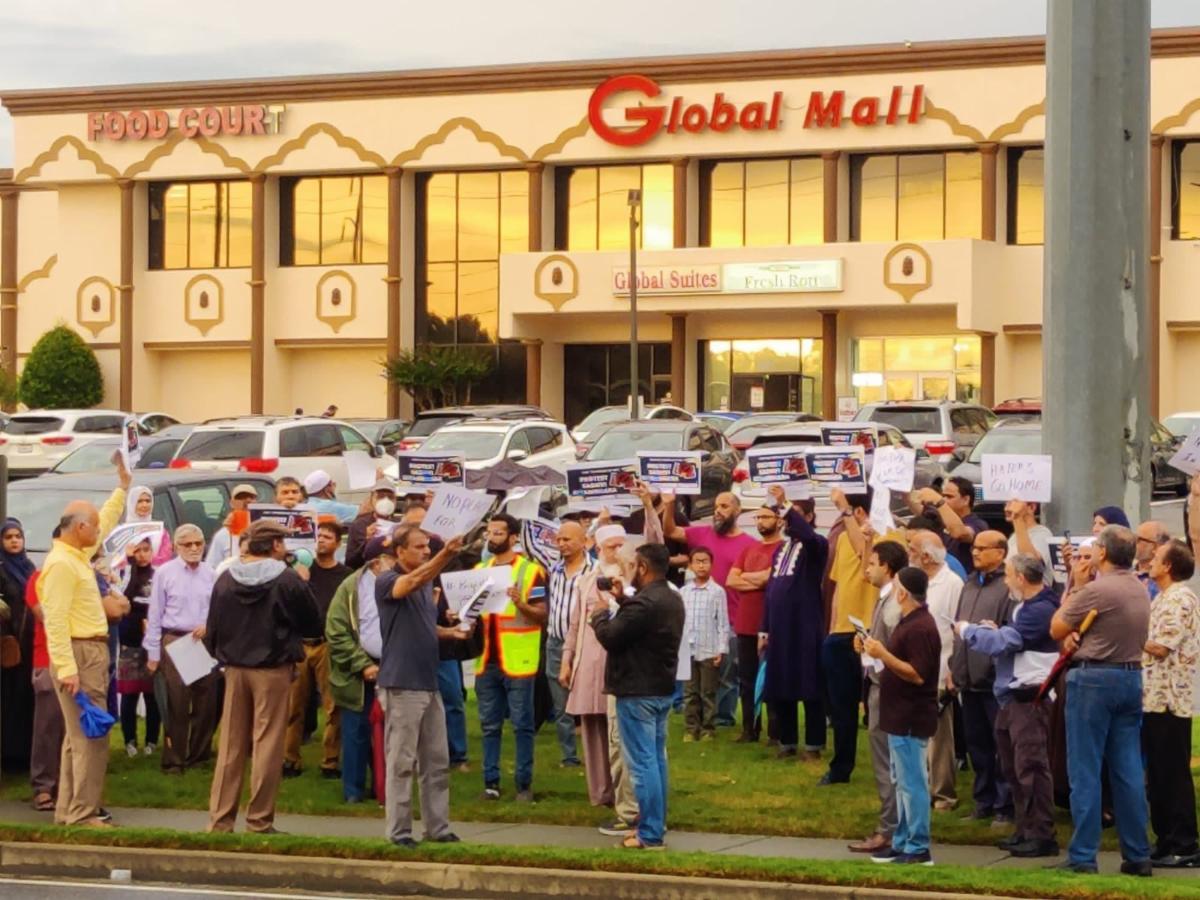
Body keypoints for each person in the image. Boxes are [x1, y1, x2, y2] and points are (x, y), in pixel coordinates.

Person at [205, 519, 323, 834]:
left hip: (234, 669)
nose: (285, 548)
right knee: (268, 744)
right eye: (282, 542)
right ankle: (259, 819)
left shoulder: (226, 578)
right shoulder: (287, 580)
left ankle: (220, 819)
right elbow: (314, 624)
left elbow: (212, 627)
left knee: (231, 744)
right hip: (273, 668)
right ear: (273, 546)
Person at [1049, 524, 1151, 876]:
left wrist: (1077, 583)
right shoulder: (1138, 587)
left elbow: (1057, 627)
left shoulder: (1097, 590)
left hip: (1093, 679)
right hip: (1130, 676)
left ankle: (1082, 857)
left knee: (1085, 770)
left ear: (1103, 554)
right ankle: (1138, 854)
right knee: (1127, 770)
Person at [41, 458, 130, 826]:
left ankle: (68, 810)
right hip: (79, 652)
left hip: (86, 651)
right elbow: (55, 622)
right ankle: (82, 812)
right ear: (79, 528)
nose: (99, 533)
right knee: (91, 737)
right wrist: (67, 668)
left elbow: (103, 521)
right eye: (93, 528)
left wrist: (122, 488)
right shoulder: (62, 564)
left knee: (75, 738)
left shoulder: (76, 552)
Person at [957, 554, 1061, 858]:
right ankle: (1024, 828)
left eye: (1008, 575)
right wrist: (994, 628)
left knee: (1031, 766)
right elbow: (1009, 636)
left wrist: (968, 631)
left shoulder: (1040, 608)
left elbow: (1005, 643)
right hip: (1012, 697)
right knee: (1012, 765)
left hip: (1030, 699)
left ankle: (1042, 834)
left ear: (1021, 577)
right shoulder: (1025, 607)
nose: (1005, 581)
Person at [376, 525, 468, 846]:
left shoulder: (425, 587)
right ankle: (399, 832)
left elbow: (428, 628)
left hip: (428, 682)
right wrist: (446, 554)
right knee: (401, 762)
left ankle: (438, 828)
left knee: (437, 760)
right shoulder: (388, 580)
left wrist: (451, 633)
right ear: (399, 552)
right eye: (419, 547)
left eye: (428, 546)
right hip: (402, 683)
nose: (425, 551)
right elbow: (410, 582)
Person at [591, 543, 685, 850]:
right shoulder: (671, 597)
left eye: (632, 565)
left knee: (642, 765)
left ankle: (649, 833)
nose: (627, 570)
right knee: (655, 761)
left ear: (643, 567)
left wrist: (601, 614)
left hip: (636, 689)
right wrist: (621, 598)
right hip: (660, 687)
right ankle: (656, 824)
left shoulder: (643, 604)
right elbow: (639, 625)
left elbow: (611, 637)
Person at [824, 488, 904, 786]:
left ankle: (889, 768)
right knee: (840, 705)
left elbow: (867, 561)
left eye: (849, 512)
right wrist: (833, 625)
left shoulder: (891, 538)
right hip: (842, 631)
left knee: (880, 702)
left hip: (874, 630)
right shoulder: (844, 537)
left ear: (859, 512)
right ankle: (840, 767)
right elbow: (840, 586)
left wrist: (845, 509)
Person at [861, 566, 941, 866]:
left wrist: (883, 654)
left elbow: (917, 674)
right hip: (898, 715)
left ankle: (919, 846)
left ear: (903, 592)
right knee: (902, 781)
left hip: (911, 716)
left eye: (895, 588)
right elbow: (894, 667)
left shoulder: (920, 627)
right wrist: (872, 653)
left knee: (913, 783)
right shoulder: (907, 623)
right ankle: (903, 840)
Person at [661, 492, 756, 728]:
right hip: (699, 617)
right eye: (716, 505)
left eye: (724, 506)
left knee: (726, 673)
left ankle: (724, 719)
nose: (718, 510)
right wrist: (669, 504)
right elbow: (670, 531)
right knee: (695, 672)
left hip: (732, 616)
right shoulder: (702, 533)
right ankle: (697, 717)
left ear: (737, 510)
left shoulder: (749, 544)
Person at [475, 513, 547, 802]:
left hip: (519, 658)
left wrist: (521, 604)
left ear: (514, 537)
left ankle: (523, 784)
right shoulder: (480, 568)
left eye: (498, 533)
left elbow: (543, 614)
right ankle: (490, 783)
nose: (491, 537)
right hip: (487, 658)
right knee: (489, 725)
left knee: (522, 724)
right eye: (489, 533)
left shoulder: (531, 571)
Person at [758, 486, 828, 761]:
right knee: (781, 683)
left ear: (810, 516)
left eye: (796, 514)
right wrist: (764, 628)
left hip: (805, 626)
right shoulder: (781, 550)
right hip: (779, 628)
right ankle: (787, 741)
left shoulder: (817, 546)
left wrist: (784, 503)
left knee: (810, 686)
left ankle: (813, 744)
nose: (789, 519)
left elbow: (807, 536)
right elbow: (771, 590)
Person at [949, 530, 1014, 824]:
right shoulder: (970, 584)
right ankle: (983, 800)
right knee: (978, 746)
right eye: (973, 548)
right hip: (968, 678)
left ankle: (1004, 805)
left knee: (1001, 745)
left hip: (993, 681)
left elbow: (1007, 634)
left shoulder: (1006, 588)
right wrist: (955, 666)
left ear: (1000, 553)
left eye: (982, 548)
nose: (974, 553)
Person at [1142, 539, 1200, 868]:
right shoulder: (1162, 597)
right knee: (1158, 775)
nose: (1150, 559)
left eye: (1157, 557)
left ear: (1168, 566)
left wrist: (1128, 634)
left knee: (1173, 774)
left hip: (1170, 701)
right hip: (1153, 698)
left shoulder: (1180, 598)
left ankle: (1185, 844)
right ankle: (1165, 841)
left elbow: (1162, 646)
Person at [848, 540, 908, 854]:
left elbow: (897, 647)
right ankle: (895, 827)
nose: (867, 568)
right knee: (889, 764)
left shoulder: (894, 603)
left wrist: (876, 651)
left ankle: (890, 830)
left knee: (888, 765)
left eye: (871, 563)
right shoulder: (884, 598)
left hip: (887, 690)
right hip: (880, 686)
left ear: (886, 566)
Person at [145, 524, 219, 774]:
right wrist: (153, 654)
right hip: (175, 640)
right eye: (188, 544)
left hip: (201, 641)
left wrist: (208, 626)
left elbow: (217, 609)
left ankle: (199, 756)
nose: (194, 548)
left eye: (198, 543)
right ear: (177, 547)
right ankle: (174, 759)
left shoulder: (211, 573)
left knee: (205, 702)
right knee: (176, 703)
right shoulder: (165, 573)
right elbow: (155, 614)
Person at [283, 521, 351, 779]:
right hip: (300, 643)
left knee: (333, 706)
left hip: (328, 645)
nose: (321, 540)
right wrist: (298, 579)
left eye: (326, 537)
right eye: (318, 536)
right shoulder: (299, 571)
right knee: (294, 704)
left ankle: (330, 761)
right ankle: (290, 758)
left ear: (336, 543)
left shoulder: (344, 575)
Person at [326, 535, 389, 804]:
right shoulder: (350, 588)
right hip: (357, 675)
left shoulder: (402, 584)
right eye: (392, 559)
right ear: (376, 563)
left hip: (393, 668)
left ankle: (386, 789)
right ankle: (353, 790)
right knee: (356, 733)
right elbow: (336, 631)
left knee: (391, 735)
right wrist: (362, 663)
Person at [908, 530, 962, 811]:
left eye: (912, 549)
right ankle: (920, 787)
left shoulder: (951, 584)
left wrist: (954, 669)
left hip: (940, 667)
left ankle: (943, 794)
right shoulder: (914, 582)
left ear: (926, 556)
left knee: (939, 738)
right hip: (912, 667)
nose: (908, 553)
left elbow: (957, 630)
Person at [726, 504, 785, 743]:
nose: (760, 521)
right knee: (746, 678)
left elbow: (773, 579)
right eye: (758, 517)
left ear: (779, 520)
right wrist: (758, 580)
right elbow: (731, 580)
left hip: (771, 624)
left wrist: (748, 578)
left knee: (771, 677)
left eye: (766, 516)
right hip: (745, 623)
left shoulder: (783, 549)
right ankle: (749, 728)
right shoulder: (749, 549)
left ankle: (775, 731)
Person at [543, 521, 592, 767]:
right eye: (559, 540)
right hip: (556, 641)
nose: (561, 544)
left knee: (590, 700)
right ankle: (569, 756)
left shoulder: (595, 571)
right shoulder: (554, 570)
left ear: (583, 541)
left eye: (567, 539)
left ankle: (595, 754)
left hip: (585, 644)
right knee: (560, 702)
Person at [25, 560, 66, 812]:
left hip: (79, 660)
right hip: (48, 659)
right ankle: (43, 786)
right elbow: (44, 614)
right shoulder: (39, 578)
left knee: (71, 731)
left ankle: (66, 785)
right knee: (47, 727)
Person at [680, 547, 730, 742]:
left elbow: (723, 623)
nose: (701, 565)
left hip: (709, 648)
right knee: (689, 691)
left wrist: (721, 648)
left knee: (707, 691)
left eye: (705, 561)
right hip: (687, 648)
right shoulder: (684, 592)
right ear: (690, 565)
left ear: (711, 564)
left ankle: (708, 728)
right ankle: (691, 728)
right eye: (697, 561)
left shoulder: (717, 592)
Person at [117, 538, 159, 758]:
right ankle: (129, 739)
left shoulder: (158, 574)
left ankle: (152, 739)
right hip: (130, 641)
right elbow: (123, 598)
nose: (142, 554)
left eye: (146, 550)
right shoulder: (124, 574)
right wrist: (130, 563)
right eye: (138, 550)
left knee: (153, 695)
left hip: (152, 641)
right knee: (130, 693)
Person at [0, 517, 36, 773]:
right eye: (8, 537)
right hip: (8, 645)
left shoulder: (29, 567)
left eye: (18, 536)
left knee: (26, 698)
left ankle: (24, 755)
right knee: (8, 699)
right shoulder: (2, 569)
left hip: (30, 644)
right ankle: (8, 756)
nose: (14, 541)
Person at [909, 477, 987, 575]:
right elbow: (919, 510)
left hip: (961, 579)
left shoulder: (977, 523)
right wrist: (905, 492)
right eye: (943, 496)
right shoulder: (939, 516)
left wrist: (939, 501)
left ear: (966, 499)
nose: (945, 500)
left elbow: (959, 533)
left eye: (949, 497)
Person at [346, 479, 400, 569]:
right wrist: (367, 542)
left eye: (390, 497)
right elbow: (350, 562)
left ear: (395, 501)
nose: (386, 501)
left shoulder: (400, 524)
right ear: (371, 499)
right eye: (380, 496)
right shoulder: (358, 525)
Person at [207, 484, 259, 566]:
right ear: (232, 503)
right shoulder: (222, 535)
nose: (248, 500)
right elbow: (212, 567)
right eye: (241, 497)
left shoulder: (263, 531)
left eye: (251, 498)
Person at [124, 485, 173, 565]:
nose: (144, 505)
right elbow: (117, 561)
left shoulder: (160, 531)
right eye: (139, 501)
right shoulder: (122, 532)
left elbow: (166, 558)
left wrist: (146, 560)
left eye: (147, 501)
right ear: (132, 503)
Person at [1005, 501, 1053, 582]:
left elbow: (1030, 563)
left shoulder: (1042, 533)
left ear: (1031, 507)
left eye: (1012, 504)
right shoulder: (1013, 537)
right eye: (1006, 504)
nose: (1006, 508)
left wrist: (1018, 519)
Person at [1134, 520, 1170, 600]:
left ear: (1155, 546)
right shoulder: (1127, 571)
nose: (1134, 542)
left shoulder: (1164, 581)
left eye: (1139, 539)